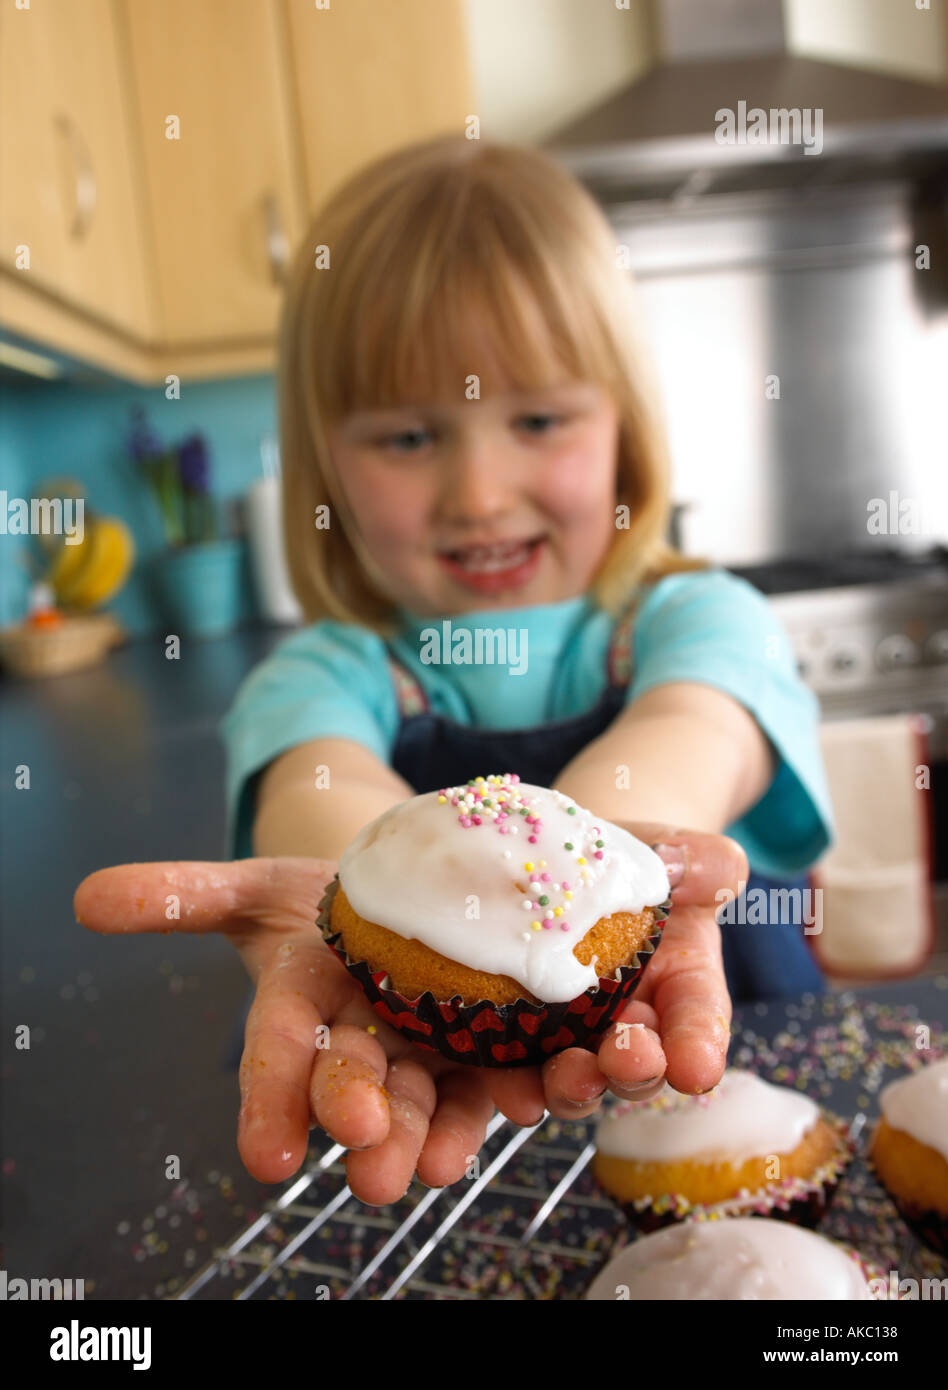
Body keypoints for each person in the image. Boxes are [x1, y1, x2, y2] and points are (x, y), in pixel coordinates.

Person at [74, 136, 833, 1207]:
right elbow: (317, 784)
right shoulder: (326, 671)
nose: (478, 491)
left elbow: (694, 733)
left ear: (625, 427)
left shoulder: (702, 618)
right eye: (412, 435)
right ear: (324, 461)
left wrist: (572, 873)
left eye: (537, 419)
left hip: (736, 1112)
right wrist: (392, 906)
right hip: (468, 1185)